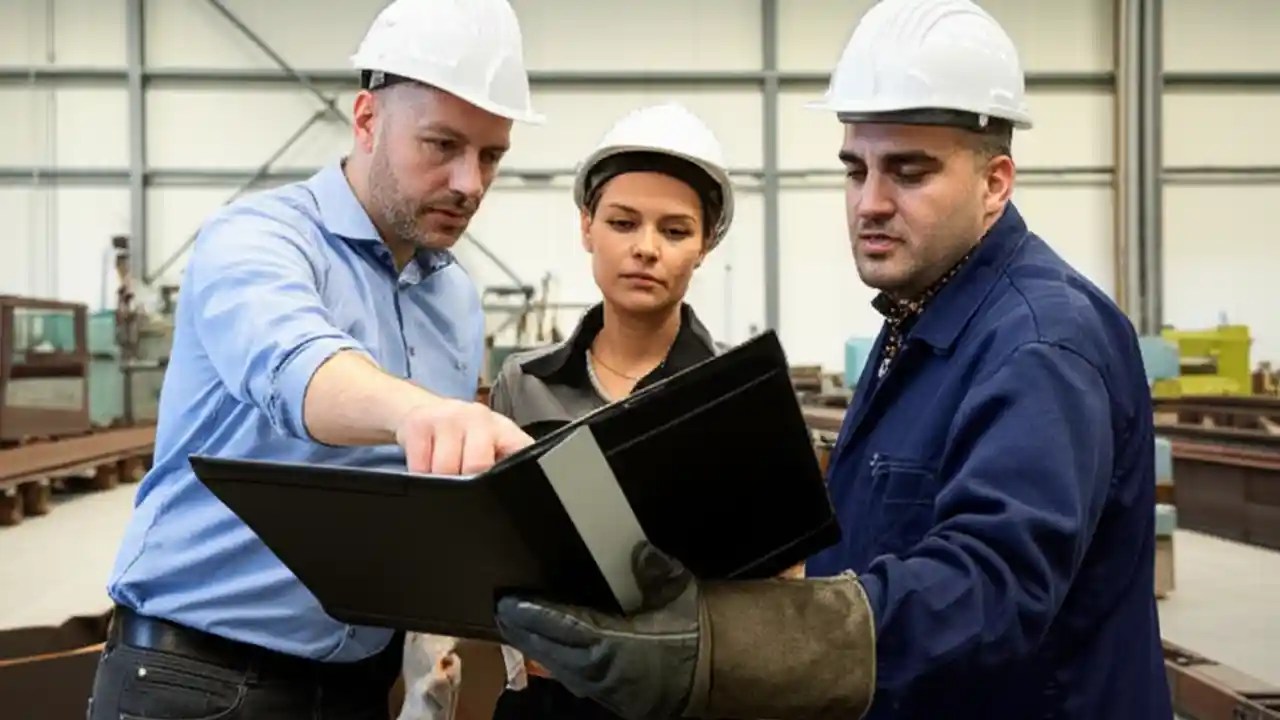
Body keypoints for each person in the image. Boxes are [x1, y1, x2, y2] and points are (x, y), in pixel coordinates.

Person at [491, 1, 1174, 719]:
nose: (870, 203)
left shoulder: (1041, 345)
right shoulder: (922, 320)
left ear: (995, 182)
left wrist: (724, 640)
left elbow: (989, 587)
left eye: (908, 172)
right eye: (856, 170)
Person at [87, 1, 542, 718]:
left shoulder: (452, 296)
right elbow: (298, 366)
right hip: (199, 678)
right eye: (442, 146)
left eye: (491, 156)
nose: (470, 183)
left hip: (359, 685)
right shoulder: (258, 240)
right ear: (366, 120)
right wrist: (419, 411)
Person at [395, 102, 737, 720]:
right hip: (549, 697)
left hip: (688, 701)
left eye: (676, 231)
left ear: (705, 245)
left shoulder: (731, 392)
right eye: (624, 222)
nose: (646, 249)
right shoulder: (523, 385)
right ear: (587, 227)